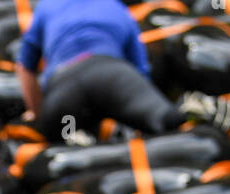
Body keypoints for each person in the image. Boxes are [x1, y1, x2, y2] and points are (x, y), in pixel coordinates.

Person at [16, 0, 201, 142]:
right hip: (112, 76)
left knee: (64, 135)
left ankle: (74, 141)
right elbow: (141, 71)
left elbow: (25, 67)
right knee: (162, 118)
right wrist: (138, 113)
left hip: (64, 89)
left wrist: (38, 113)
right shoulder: (116, 7)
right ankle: (184, 111)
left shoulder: (46, 6)